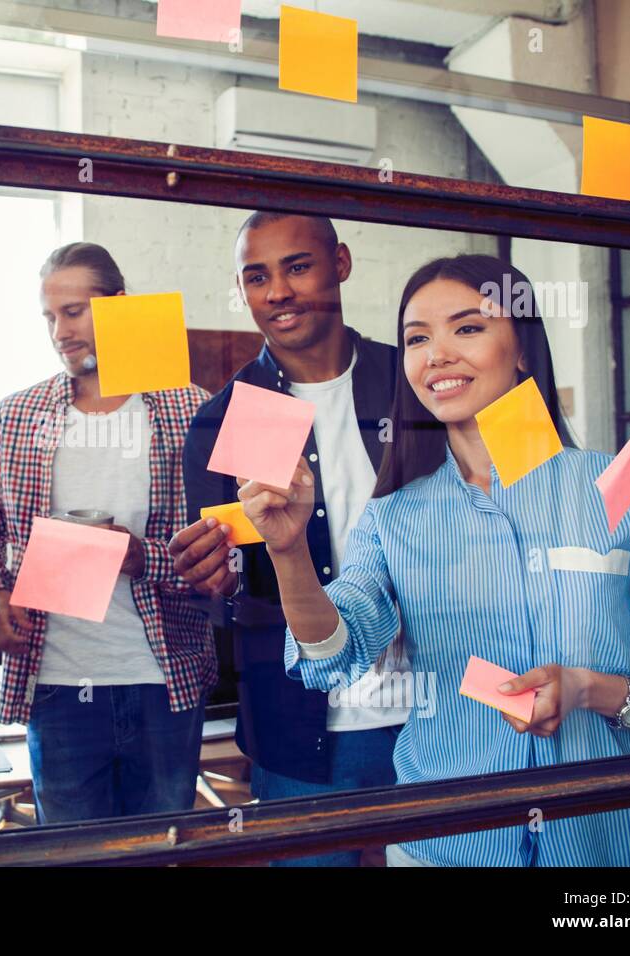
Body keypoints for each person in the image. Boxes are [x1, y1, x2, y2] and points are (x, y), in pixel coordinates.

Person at [238, 253, 630, 866]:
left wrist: (592, 690)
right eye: (416, 338)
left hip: (606, 851)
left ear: (524, 348)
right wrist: (288, 555)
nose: (436, 354)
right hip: (446, 846)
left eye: (468, 327)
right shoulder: (394, 516)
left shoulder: (621, 487)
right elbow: (334, 657)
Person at [167, 212, 406, 865]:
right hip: (302, 727)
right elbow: (226, 589)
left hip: (436, 711)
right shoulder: (232, 416)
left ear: (341, 264)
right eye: (257, 276)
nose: (277, 291)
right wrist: (212, 581)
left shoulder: (413, 384)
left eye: (297, 266)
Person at [0, 242, 217, 823]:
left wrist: (143, 559)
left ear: (120, 307)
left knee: (162, 851)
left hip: (164, 679)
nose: (60, 332)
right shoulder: (17, 414)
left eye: (75, 312)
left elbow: (220, 545)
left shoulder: (189, 411)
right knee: (71, 853)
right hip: (55, 682)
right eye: (49, 317)